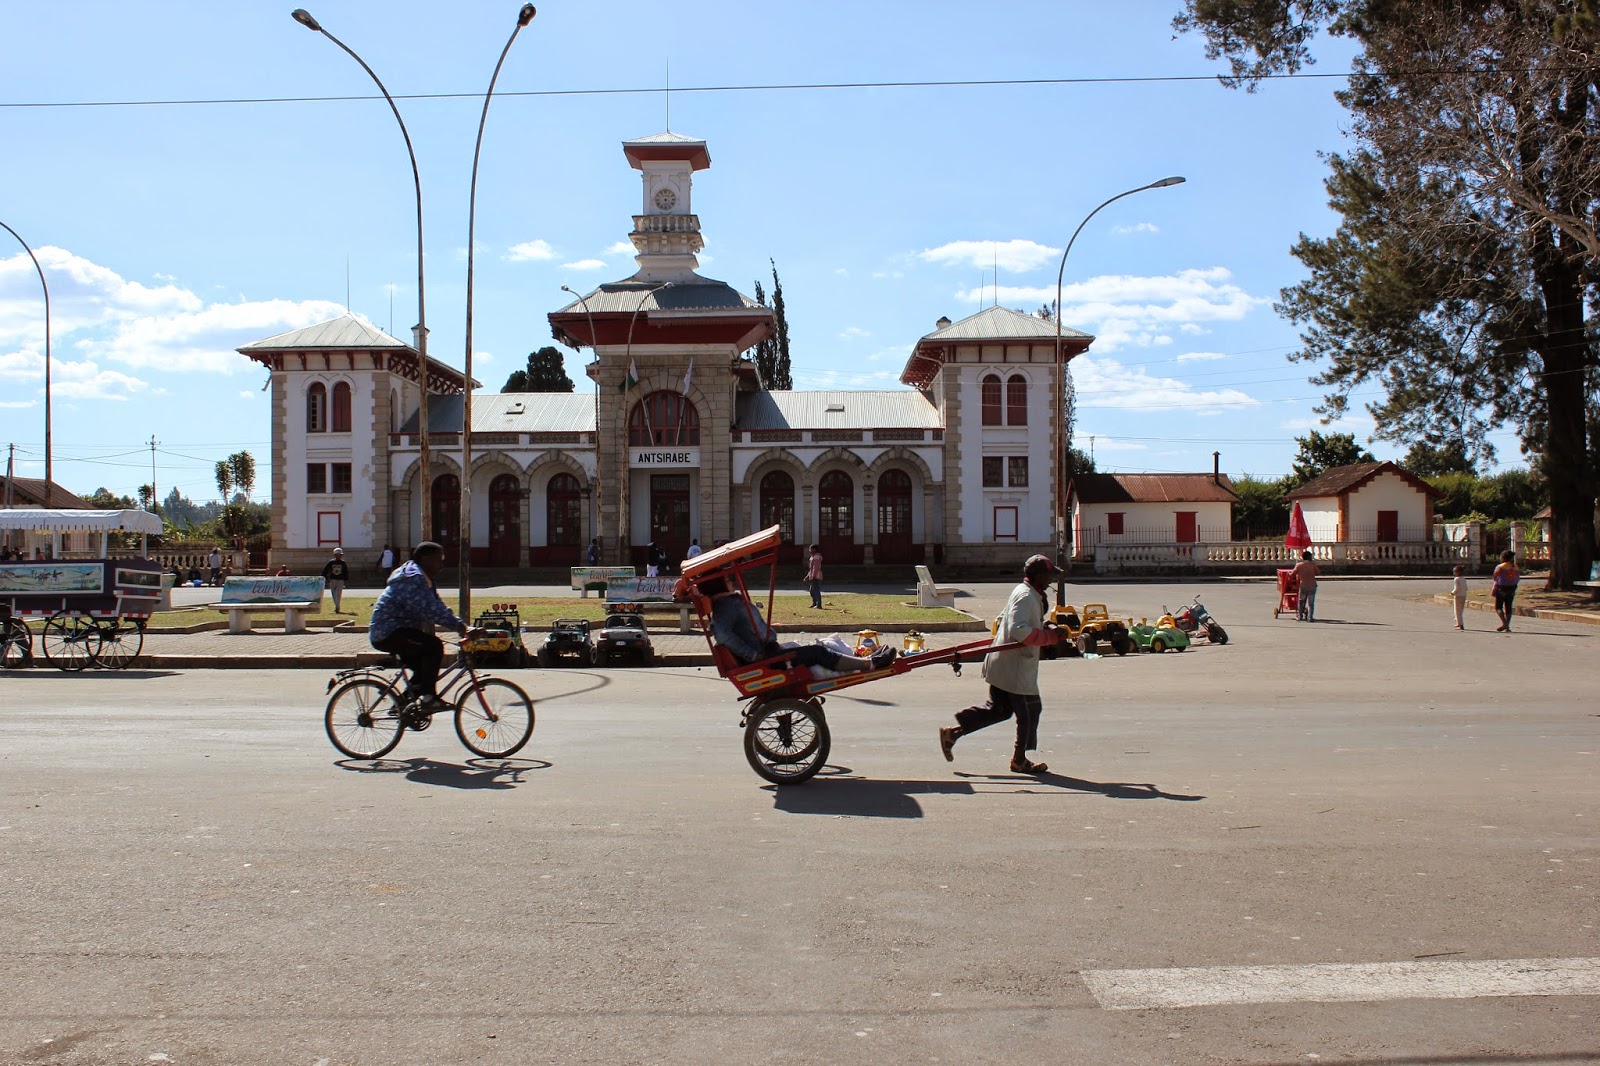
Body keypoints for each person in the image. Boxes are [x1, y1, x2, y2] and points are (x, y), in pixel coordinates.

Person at [938, 554, 1069, 776]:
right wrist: (1049, 637)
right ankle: (1019, 760)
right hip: (1014, 669)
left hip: (1006, 666)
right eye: (1048, 575)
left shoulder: (1028, 593)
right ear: (1038, 576)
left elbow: (1019, 621)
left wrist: (1045, 625)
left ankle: (954, 733)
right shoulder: (1026, 596)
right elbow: (1020, 630)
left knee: (999, 710)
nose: (1051, 580)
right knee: (1029, 710)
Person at [369, 542, 480, 710]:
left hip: (401, 630)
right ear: (425, 560)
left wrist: (461, 625)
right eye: (438, 560)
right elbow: (430, 610)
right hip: (388, 632)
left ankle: (400, 707)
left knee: (424, 670)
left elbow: (439, 606)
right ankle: (429, 699)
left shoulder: (423, 578)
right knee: (433, 646)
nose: (441, 565)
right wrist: (461, 628)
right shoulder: (413, 578)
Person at [704, 576, 894, 673]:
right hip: (767, 659)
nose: (731, 581)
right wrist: (752, 654)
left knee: (813, 648)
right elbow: (722, 634)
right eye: (727, 580)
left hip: (770, 651)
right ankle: (870, 664)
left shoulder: (728, 602)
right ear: (719, 585)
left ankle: (863, 660)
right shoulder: (726, 606)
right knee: (818, 652)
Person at [1492, 549, 1520, 632]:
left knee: (1498, 607)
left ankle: (1504, 624)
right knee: (1508, 607)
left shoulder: (1500, 567)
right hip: (1512, 588)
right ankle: (1507, 625)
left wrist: (1494, 587)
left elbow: (1495, 577)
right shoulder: (1515, 567)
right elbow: (1517, 577)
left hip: (1501, 587)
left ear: (1503, 558)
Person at [1291, 549, 1320, 621]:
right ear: (1309, 557)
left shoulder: (1299, 565)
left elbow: (1292, 574)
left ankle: (1299, 616)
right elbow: (1318, 572)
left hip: (1303, 585)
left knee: (1301, 601)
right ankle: (1310, 617)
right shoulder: (1312, 564)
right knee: (1311, 603)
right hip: (1312, 585)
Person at [321, 547, 350, 613]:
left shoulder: (343, 563)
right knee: (333, 593)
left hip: (340, 580)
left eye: (340, 555)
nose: (339, 556)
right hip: (333, 579)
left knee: (338, 593)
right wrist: (323, 577)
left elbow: (346, 571)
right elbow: (326, 570)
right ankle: (336, 605)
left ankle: (337, 606)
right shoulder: (331, 562)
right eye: (338, 555)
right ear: (335, 555)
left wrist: (346, 579)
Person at [804, 544, 824, 609]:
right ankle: (814, 603)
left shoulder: (816, 557)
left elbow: (816, 568)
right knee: (812, 590)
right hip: (812, 575)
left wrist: (813, 576)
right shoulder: (812, 557)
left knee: (816, 590)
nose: (809, 551)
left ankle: (819, 605)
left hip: (816, 576)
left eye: (811, 549)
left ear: (814, 550)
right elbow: (811, 569)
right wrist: (808, 576)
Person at [1451, 564, 1468, 631]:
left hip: (1458, 596)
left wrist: (1452, 592)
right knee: (1461, 610)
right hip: (1463, 595)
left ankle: (1461, 625)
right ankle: (1458, 623)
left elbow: (1456, 588)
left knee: (1457, 611)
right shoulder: (1463, 579)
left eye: (1455, 572)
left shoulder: (1456, 579)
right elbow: (1466, 588)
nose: (1454, 573)